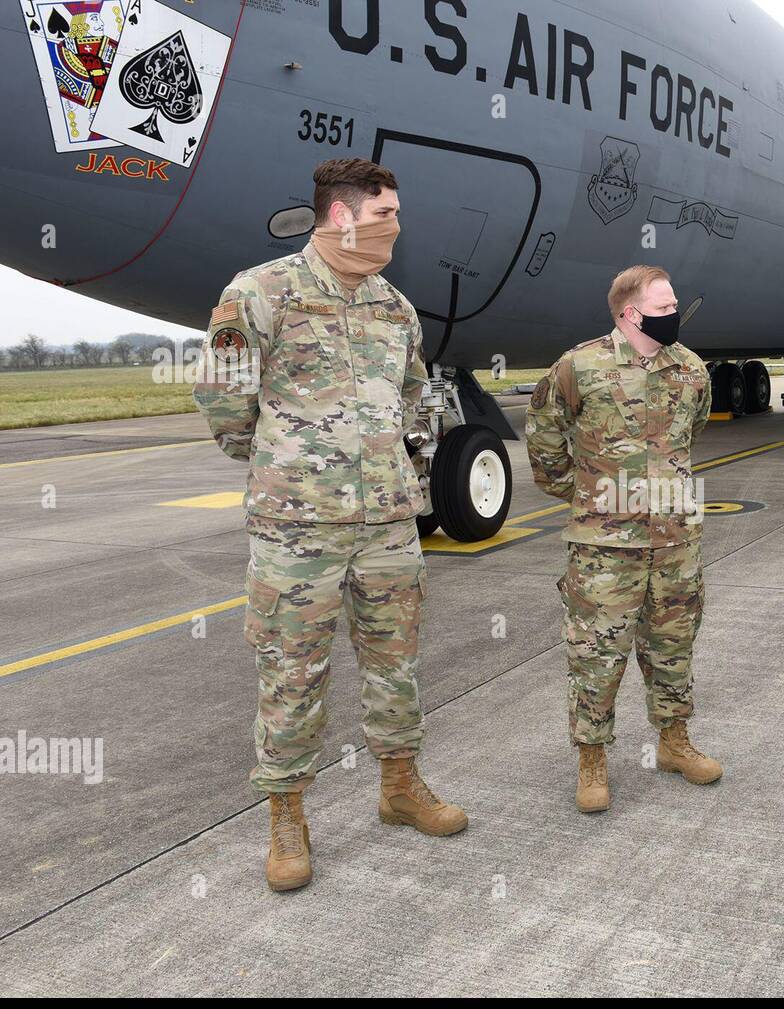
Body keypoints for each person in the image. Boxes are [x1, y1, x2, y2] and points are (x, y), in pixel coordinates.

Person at [194, 158, 467, 893]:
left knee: (396, 664)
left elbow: (417, 401)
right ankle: (287, 819)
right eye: (386, 215)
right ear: (342, 217)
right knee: (290, 675)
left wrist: (388, 464)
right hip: (297, 532)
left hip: (386, 524)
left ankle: (401, 787)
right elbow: (226, 408)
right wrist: (291, 467)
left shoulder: (395, 308)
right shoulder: (259, 293)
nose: (395, 227)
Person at [526, 265, 720, 812]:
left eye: (675, 303)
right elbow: (543, 442)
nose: (674, 314)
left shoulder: (691, 369)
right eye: (664, 307)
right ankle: (592, 761)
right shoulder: (578, 366)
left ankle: (674, 743)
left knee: (673, 648)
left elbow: (691, 434)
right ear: (630, 313)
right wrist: (589, 496)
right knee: (596, 654)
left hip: (676, 541)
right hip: (604, 548)